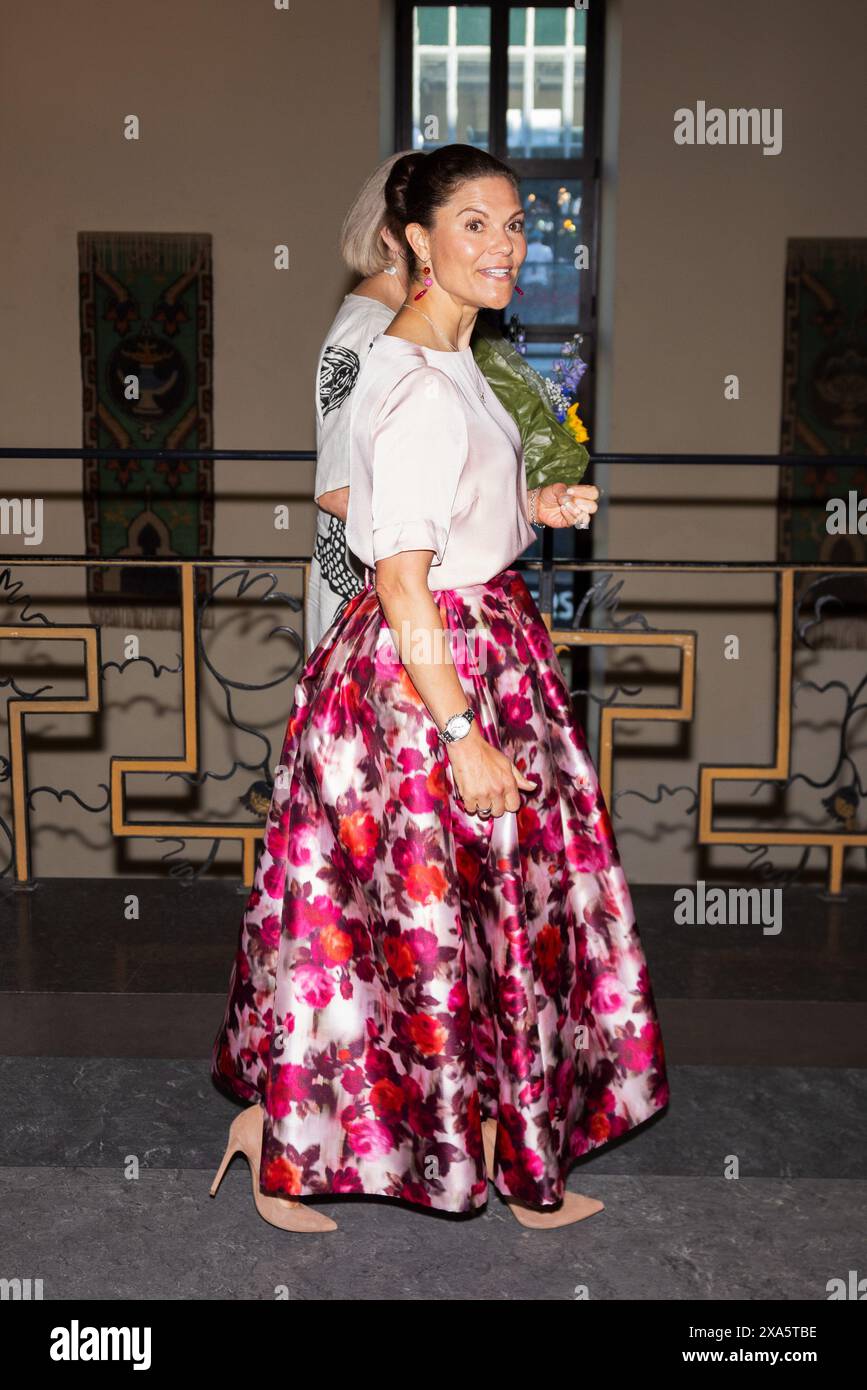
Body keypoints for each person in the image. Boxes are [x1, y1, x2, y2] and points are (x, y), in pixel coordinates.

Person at [210, 144, 668, 1233]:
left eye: (515, 224)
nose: (506, 245)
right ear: (415, 241)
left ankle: (507, 1151)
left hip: (482, 641)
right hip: (429, 677)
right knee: (418, 931)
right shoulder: (411, 378)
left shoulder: (466, 355)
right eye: (475, 224)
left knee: (487, 924)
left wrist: (531, 508)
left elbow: (451, 509)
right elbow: (403, 576)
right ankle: (289, 1144)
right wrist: (461, 728)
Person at [306, 153, 413, 657]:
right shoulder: (366, 331)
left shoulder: (406, 320)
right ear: (394, 237)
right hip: (368, 604)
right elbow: (338, 490)